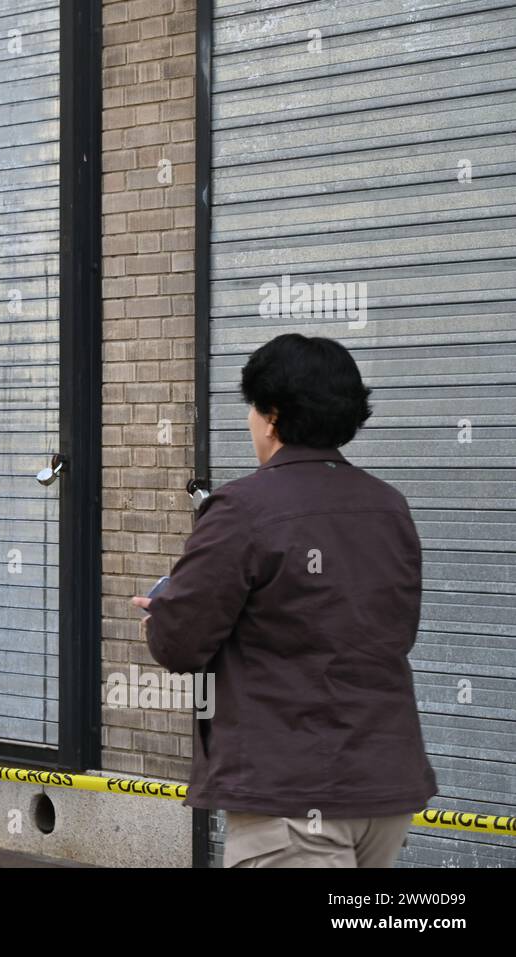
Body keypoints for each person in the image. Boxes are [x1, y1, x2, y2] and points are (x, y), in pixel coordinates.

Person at [131, 333, 437, 868]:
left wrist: (164, 611)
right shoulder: (389, 507)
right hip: (384, 783)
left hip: (291, 792)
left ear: (271, 414)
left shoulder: (243, 508)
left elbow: (180, 644)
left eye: (253, 409)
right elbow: (383, 628)